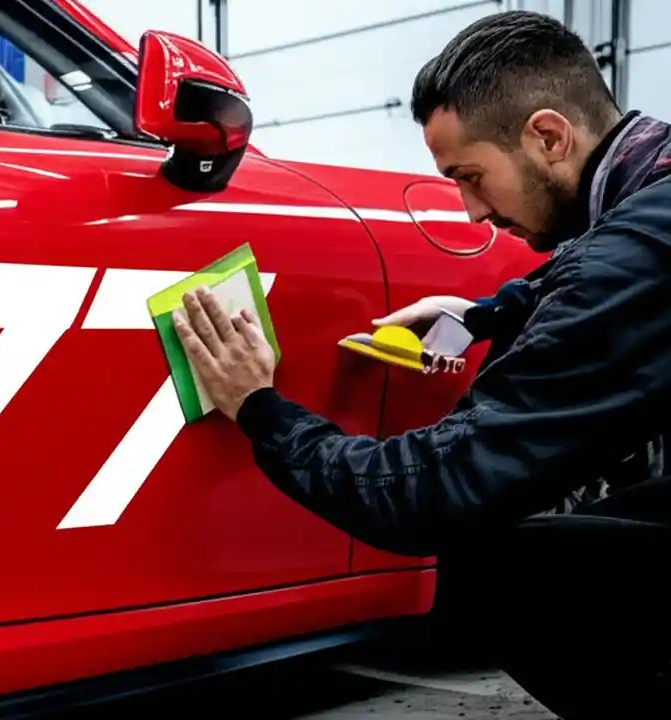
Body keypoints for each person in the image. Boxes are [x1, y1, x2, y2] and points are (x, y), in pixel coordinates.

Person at [173, 10, 671, 719]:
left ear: (550, 135)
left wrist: (260, 407)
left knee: (506, 563)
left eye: (470, 176)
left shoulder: (625, 264)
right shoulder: (653, 197)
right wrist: (480, 314)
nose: (470, 212)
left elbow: (433, 493)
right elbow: (607, 279)